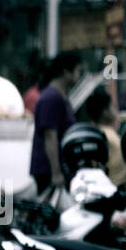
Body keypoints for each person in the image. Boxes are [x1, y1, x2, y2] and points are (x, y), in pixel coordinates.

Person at [28, 50, 82, 193]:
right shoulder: (51, 97)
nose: (79, 75)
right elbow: (50, 137)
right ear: (66, 71)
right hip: (48, 171)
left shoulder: (59, 96)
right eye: (77, 70)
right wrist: (56, 173)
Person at [84, 87, 126, 187]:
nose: (115, 109)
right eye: (112, 106)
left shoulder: (101, 133)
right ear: (105, 112)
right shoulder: (105, 136)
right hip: (116, 186)